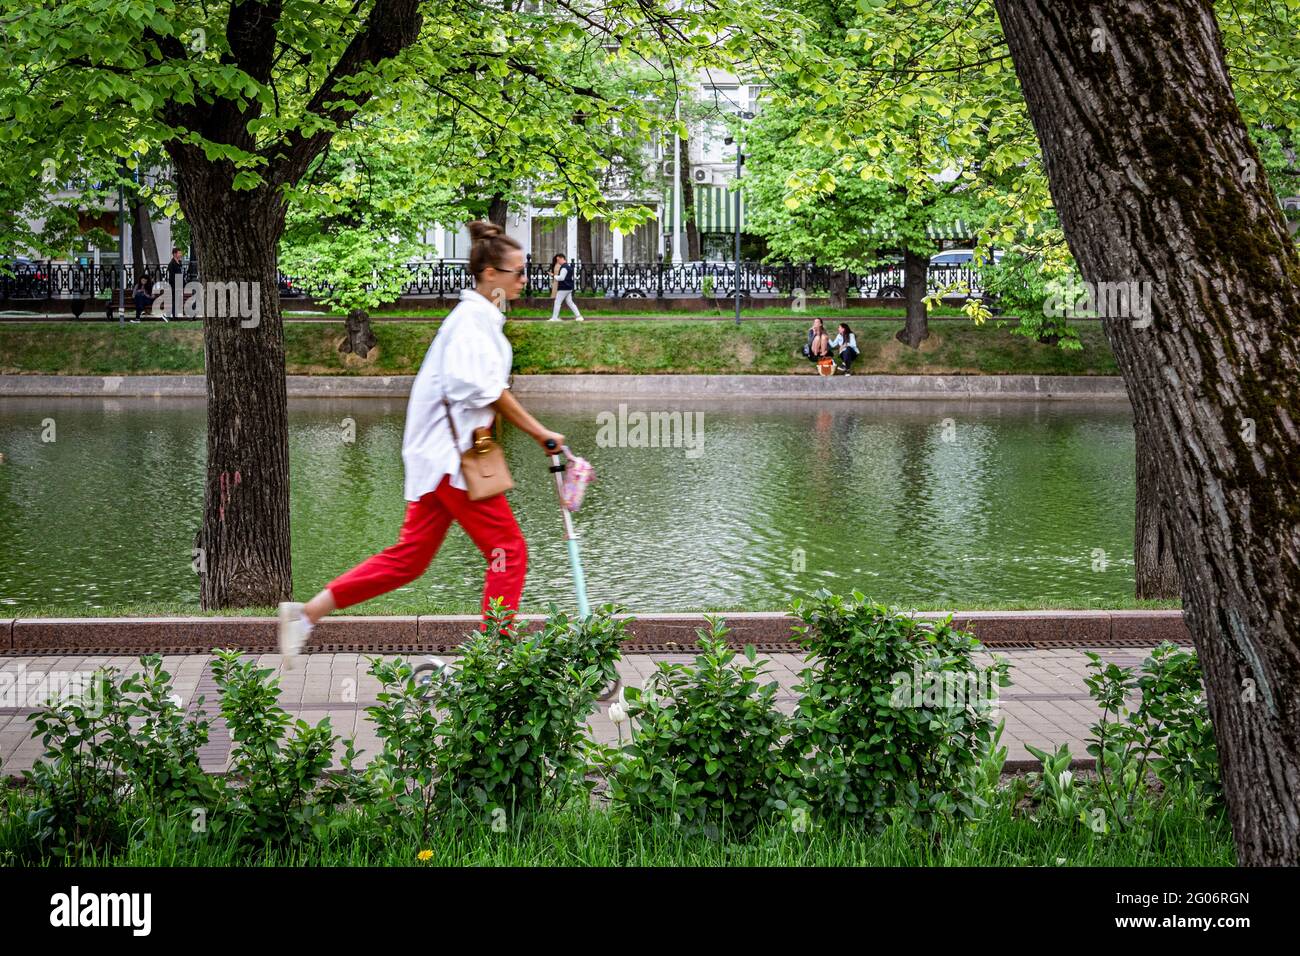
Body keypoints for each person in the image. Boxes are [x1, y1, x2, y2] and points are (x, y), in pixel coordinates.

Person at [278, 221, 566, 663]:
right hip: (451, 460)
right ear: (491, 274)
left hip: (444, 458)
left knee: (408, 560)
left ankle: (306, 614)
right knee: (508, 551)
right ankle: (496, 659)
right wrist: (541, 433)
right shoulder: (471, 322)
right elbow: (484, 391)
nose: (524, 280)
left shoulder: (480, 319)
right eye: (518, 272)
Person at [549, 253, 584, 322]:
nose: (558, 262)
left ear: (562, 258)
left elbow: (561, 278)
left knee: (557, 302)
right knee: (570, 302)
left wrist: (553, 276)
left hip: (563, 288)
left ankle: (554, 318)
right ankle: (579, 316)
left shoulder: (564, 267)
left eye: (558, 260)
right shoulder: (568, 267)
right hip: (568, 287)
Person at [165, 248, 184, 320]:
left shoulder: (179, 262)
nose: (181, 254)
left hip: (179, 285)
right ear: (174, 254)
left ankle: (175, 315)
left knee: (177, 301)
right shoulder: (171, 264)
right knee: (174, 301)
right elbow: (171, 277)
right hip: (173, 285)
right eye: (179, 253)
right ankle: (173, 316)